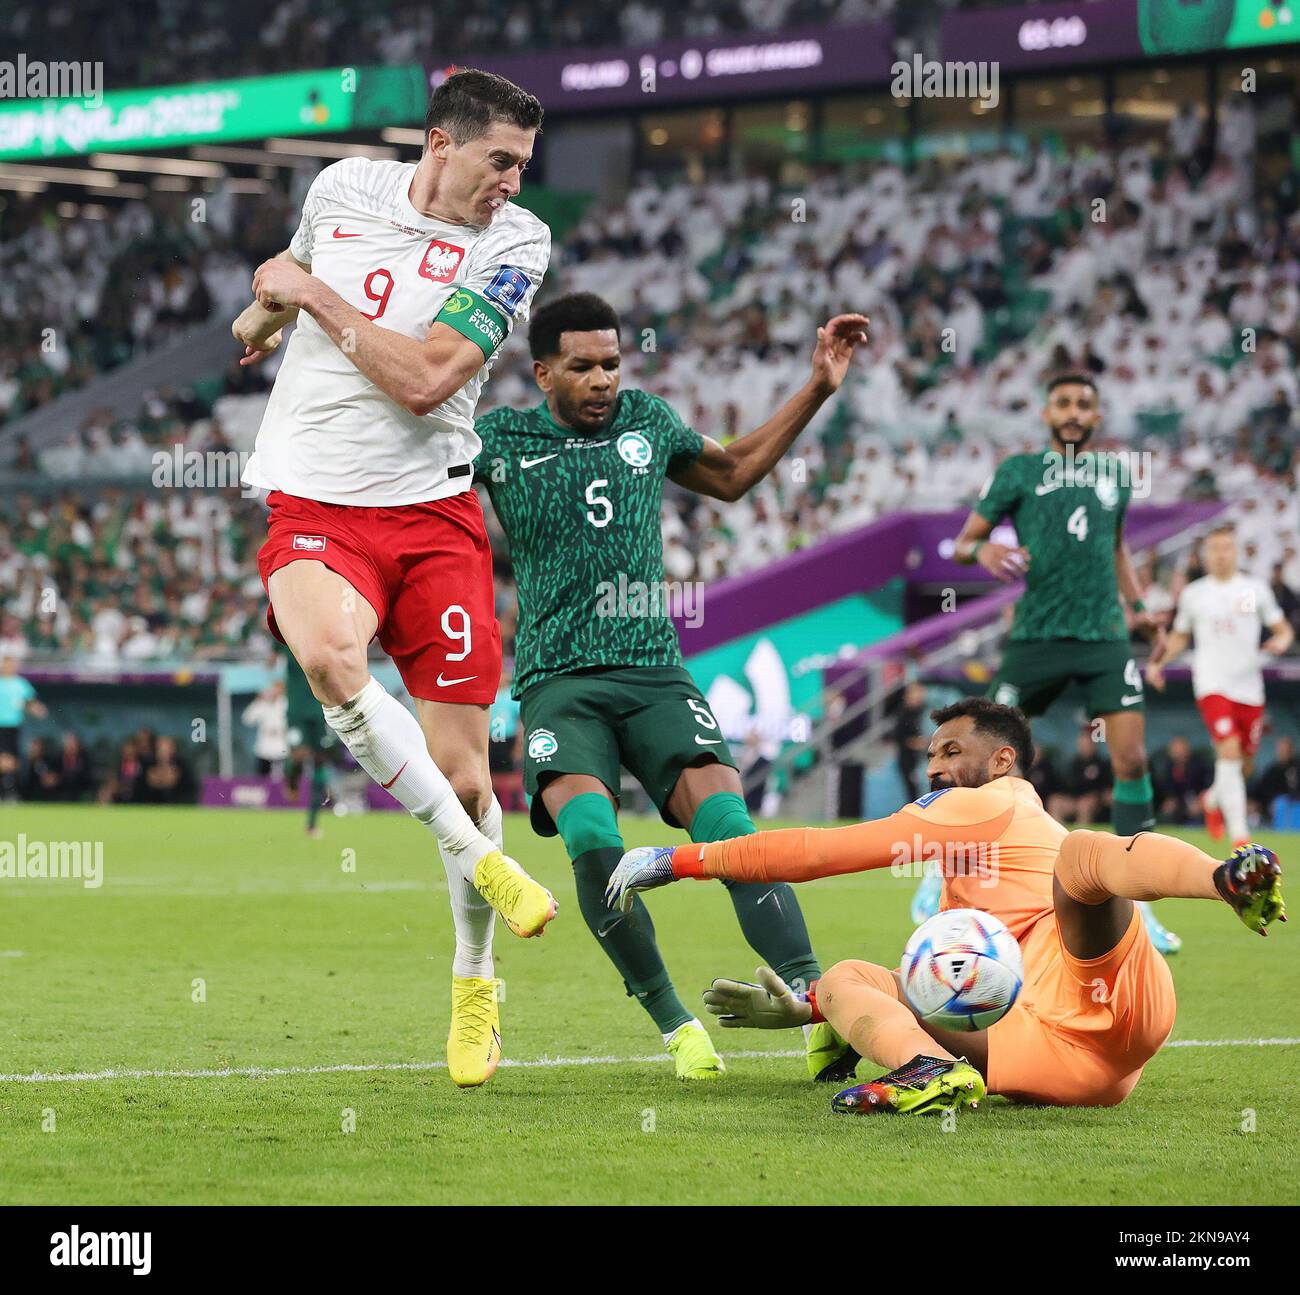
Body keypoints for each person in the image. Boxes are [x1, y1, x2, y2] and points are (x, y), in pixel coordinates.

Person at [232, 69, 557, 1088]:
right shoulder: (341, 187)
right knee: (329, 658)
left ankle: (473, 974)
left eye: (521, 165)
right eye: (498, 159)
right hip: (315, 504)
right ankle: (483, 857)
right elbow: (286, 269)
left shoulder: (516, 242)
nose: (510, 181)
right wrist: (261, 318)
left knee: (467, 772)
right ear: (439, 144)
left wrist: (305, 297)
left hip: (434, 514)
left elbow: (424, 381)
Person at [473, 292, 869, 1079]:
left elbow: (733, 474)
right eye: (582, 366)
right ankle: (676, 1023)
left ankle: (815, 1002)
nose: (602, 380)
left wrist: (819, 385)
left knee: (732, 833)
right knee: (593, 845)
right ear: (542, 369)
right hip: (558, 683)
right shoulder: (497, 437)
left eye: (612, 363)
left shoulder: (646, 422)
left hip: (655, 672)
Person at [606, 699, 1286, 1115]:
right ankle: (929, 1067)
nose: (933, 768)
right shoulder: (995, 837)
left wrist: (679, 859)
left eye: (951, 750)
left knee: (1084, 857)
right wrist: (814, 1007)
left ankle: (1226, 877)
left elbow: (816, 853)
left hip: (1100, 995)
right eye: (928, 755)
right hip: (1070, 1057)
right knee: (846, 977)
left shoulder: (980, 804)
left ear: (1002, 761)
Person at [942, 372, 1181, 953]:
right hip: (1036, 637)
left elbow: (1117, 548)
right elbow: (964, 542)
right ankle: (942, 884)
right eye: (1064, 402)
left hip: (1103, 633)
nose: (1073, 412)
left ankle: (1137, 910)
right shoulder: (1019, 471)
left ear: (1097, 418)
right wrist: (988, 549)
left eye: (1084, 405)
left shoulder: (1114, 475)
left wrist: (1141, 608)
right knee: (981, 755)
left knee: (1128, 758)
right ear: (1047, 412)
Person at [1147, 523, 1294, 847]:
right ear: (1205, 554)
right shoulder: (1194, 593)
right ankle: (1242, 840)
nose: (1220, 554)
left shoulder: (1255, 589)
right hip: (1212, 684)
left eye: (1226, 548)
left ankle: (1212, 800)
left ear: (1236, 551)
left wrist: (1282, 640)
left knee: (1243, 766)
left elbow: (1282, 628)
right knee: (1227, 750)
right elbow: (1180, 637)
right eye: (1214, 549)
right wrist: (1158, 662)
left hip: (1249, 687)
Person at [0, 656, 47, 803]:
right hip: (1, 725)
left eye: (11, 664)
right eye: (6, 664)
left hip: (15, 726)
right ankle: (6, 792)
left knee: (14, 761)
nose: (9, 667)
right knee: (5, 761)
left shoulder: (21, 684)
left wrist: (37, 709)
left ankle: (9, 792)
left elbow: (31, 702)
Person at [1152, 735, 1211, 826]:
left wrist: (1200, 800)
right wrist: (1169, 800)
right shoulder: (1168, 767)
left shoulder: (1198, 765)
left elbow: (1206, 786)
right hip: (1179, 804)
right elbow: (1168, 791)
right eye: (1176, 750)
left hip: (1197, 802)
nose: (1179, 753)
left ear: (1188, 750)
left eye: (1182, 750)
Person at [241, 678, 289, 776]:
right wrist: (258, 701)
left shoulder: (286, 703)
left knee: (283, 778)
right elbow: (247, 719)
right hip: (264, 748)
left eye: (278, 688)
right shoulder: (262, 704)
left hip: (282, 747)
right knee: (263, 778)